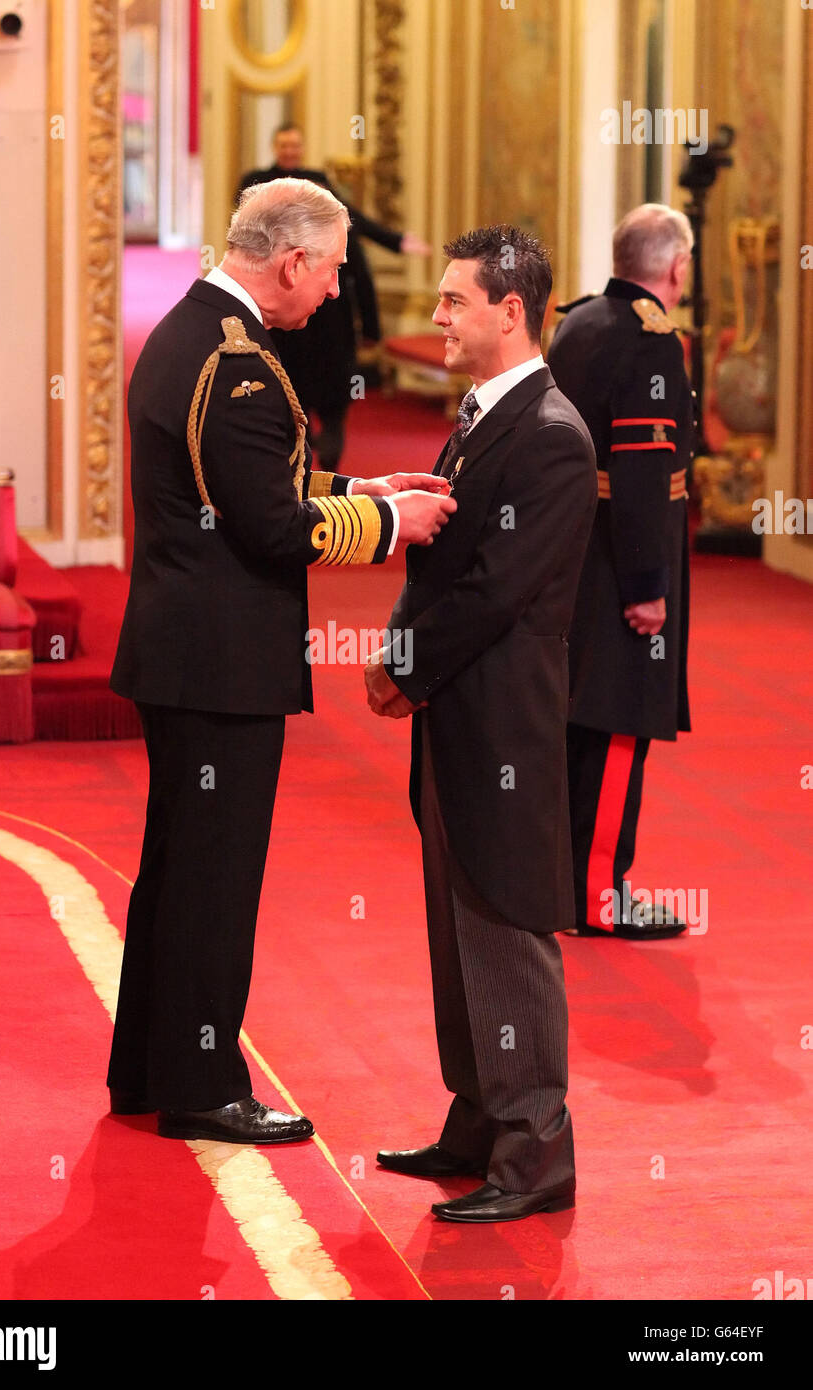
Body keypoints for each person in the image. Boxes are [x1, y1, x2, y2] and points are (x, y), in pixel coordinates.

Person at [108, 177, 455, 1145]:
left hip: (183, 650)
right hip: (218, 661)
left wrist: (362, 482)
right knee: (211, 883)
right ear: (292, 261)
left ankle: (149, 1065)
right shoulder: (242, 363)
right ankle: (204, 1085)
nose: (336, 289)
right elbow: (272, 525)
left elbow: (254, 476)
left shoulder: (200, 333)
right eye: (334, 268)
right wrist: (393, 520)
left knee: (178, 872)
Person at [365, 225, 597, 1223]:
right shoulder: (482, 412)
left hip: (502, 721)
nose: (436, 316)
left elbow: (495, 589)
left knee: (504, 922)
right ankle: (477, 1118)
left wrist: (401, 668)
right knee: (455, 920)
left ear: (510, 310)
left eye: (453, 301)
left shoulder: (550, 431)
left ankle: (534, 1149)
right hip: (456, 710)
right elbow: (444, 560)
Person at [547, 203, 693, 941]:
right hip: (620, 560)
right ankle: (599, 894)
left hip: (576, 546)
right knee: (617, 723)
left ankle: (565, 881)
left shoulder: (578, 321)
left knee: (580, 717)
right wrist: (647, 588)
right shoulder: (650, 341)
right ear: (675, 267)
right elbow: (640, 471)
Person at [238, 123, 430, 468]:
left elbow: (357, 237)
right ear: (274, 145)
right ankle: (307, 465)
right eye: (284, 144)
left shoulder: (327, 207)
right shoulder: (258, 185)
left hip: (330, 327)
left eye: (295, 144)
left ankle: (322, 472)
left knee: (330, 404)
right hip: (290, 323)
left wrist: (396, 241)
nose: (290, 150)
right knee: (294, 400)